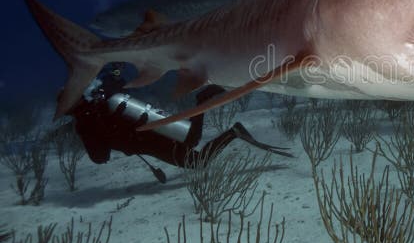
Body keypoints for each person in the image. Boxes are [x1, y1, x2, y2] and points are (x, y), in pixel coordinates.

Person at [66, 64, 292, 181]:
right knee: (192, 142)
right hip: (146, 125)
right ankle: (223, 122)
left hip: (144, 138)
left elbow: (99, 158)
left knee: (197, 161)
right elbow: (118, 77)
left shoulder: (85, 121)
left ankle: (218, 116)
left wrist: (84, 131)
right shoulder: (97, 101)